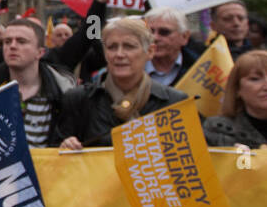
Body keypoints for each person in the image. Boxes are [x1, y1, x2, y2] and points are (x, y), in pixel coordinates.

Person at [58, 18, 187, 149]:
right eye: (112, 47)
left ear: (150, 51)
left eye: (129, 46)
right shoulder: (78, 100)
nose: (119, 54)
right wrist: (64, 147)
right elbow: (52, 160)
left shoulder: (175, 103)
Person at [0, 20, 76, 147]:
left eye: (21, 41)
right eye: (7, 42)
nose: (12, 46)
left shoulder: (62, 93)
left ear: (40, 52)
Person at [140, 7, 200, 86]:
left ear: (184, 37)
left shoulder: (201, 68)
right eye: (149, 31)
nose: (155, 38)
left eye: (164, 32)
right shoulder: (129, 66)